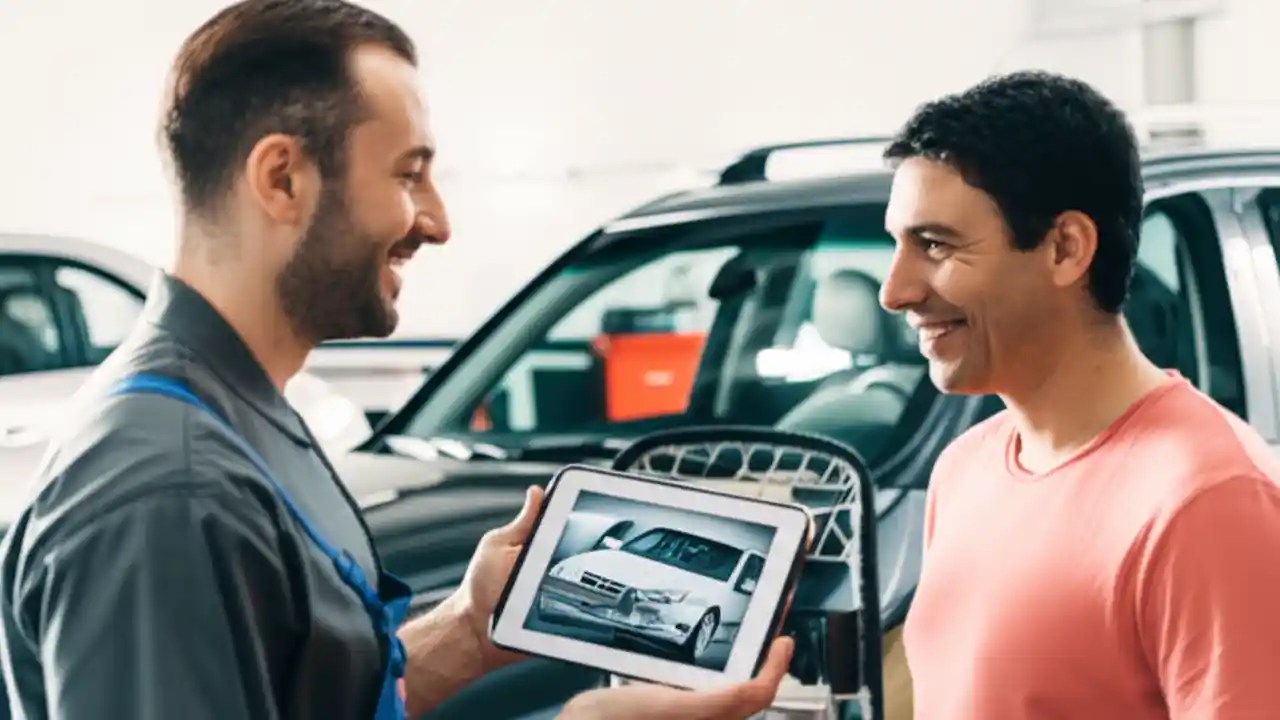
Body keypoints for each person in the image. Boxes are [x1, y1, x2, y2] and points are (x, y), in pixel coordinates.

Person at [0, 1, 793, 718]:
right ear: (283, 179)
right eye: (409, 174)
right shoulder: (166, 492)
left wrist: (469, 635)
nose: (437, 220)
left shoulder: (243, 414)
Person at [879, 70, 1280, 718]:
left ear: (1066, 248)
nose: (893, 291)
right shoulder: (966, 468)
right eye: (895, 245)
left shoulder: (1211, 502)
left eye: (935, 245)